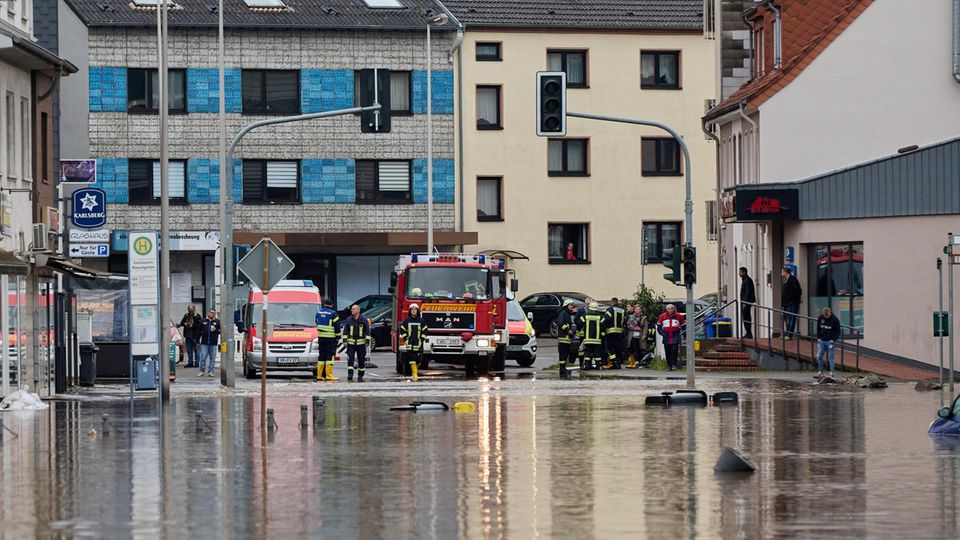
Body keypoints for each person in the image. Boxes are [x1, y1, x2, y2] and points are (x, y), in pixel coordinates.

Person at [341, 304, 371, 382]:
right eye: (352, 309)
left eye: (353, 309)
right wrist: (344, 341)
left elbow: (367, 331)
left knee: (361, 360)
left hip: (361, 344)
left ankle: (360, 375)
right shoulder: (348, 319)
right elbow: (345, 331)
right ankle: (350, 374)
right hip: (351, 344)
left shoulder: (363, 320)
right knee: (350, 359)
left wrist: (367, 341)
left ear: (358, 310)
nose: (352, 310)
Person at [398, 304, 426, 381]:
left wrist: (421, 340)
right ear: (410, 311)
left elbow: (425, 331)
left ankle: (415, 371)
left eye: (415, 309)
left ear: (417, 311)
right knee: (412, 360)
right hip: (410, 345)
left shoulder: (421, 321)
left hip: (418, 345)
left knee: (419, 360)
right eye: (412, 310)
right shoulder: (407, 321)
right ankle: (414, 375)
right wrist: (406, 339)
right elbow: (402, 330)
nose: (413, 311)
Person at [315, 298, 340, 381]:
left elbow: (316, 322)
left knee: (321, 356)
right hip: (330, 339)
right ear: (332, 305)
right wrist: (338, 337)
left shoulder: (318, 312)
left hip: (321, 338)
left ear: (324, 304)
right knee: (330, 357)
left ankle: (319, 376)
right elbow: (337, 326)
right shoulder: (333, 314)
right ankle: (329, 376)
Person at [816, 306, 841, 379]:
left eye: (827, 316)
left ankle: (831, 372)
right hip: (822, 340)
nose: (826, 317)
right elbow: (818, 328)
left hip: (830, 341)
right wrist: (818, 338)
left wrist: (833, 339)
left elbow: (838, 331)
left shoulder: (835, 320)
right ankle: (820, 371)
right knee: (819, 356)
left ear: (830, 312)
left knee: (831, 357)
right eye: (825, 316)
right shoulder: (820, 318)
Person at [554, 299, 578, 377]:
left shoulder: (567, 314)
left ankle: (564, 368)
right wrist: (568, 330)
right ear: (566, 306)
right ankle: (562, 369)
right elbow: (561, 324)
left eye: (572, 305)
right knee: (563, 355)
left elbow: (569, 323)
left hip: (567, 339)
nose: (572, 307)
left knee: (565, 355)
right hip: (563, 339)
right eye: (570, 305)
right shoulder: (563, 313)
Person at [657, 304, 685, 371]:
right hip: (666, 336)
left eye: (671, 309)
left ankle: (674, 364)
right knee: (667, 351)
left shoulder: (678, 316)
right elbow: (659, 327)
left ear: (673, 309)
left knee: (674, 350)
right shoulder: (662, 316)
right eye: (669, 309)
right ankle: (669, 365)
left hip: (675, 335)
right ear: (667, 310)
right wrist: (662, 333)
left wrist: (684, 335)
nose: (670, 310)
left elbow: (683, 326)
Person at [602, 298, 626, 369]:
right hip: (620, 332)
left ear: (612, 302)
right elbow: (624, 320)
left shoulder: (610, 309)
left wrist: (603, 327)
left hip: (611, 332)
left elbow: (607, 319)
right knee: (617, 348)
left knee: (610, 348)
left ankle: (614, 362)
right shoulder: (622, 310)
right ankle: (618, 362)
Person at [580, 302, 605, 370]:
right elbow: (603, 327)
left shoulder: (585, 316)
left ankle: (587, 365)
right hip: (597, 340)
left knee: (587, 353)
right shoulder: (600, 317)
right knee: (597, 353)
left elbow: (579, 323)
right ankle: (597, 366)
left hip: (587, 339)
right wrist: (602, 336)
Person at [198, 308, 220, 377]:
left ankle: (211, 371)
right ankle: (201, 371)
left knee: (212, 358)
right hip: (204, 343)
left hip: (213, 343)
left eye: (213, 313)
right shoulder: (203, 321)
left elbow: (220, 331)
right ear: (208, 313)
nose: (212, 314)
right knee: (203, 357)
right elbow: (198, 331)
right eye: (211, 312)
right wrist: (197, 339)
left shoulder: (217, 322)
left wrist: (216, 330)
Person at [782, 267, 803, 338]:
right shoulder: (786, 280)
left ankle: (789, 334)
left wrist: (792, 299)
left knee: (791, 318)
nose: (781, 274)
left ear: (786, 272)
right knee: (787, 318)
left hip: (792, 303)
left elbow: (799, 291)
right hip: (787, 303)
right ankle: (787, 333)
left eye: (782, 272)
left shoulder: (793, 280)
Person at [739, 267, 756, 339]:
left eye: (740, 272)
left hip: (746, 302)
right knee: (745, 317)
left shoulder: (747, 280)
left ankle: (749, 333)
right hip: (745, 302)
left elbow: (747, 292)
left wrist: (745, 303)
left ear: (744, 272)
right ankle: (748, 333)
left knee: (746, 317)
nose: (739, 273)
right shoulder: (745, 280)